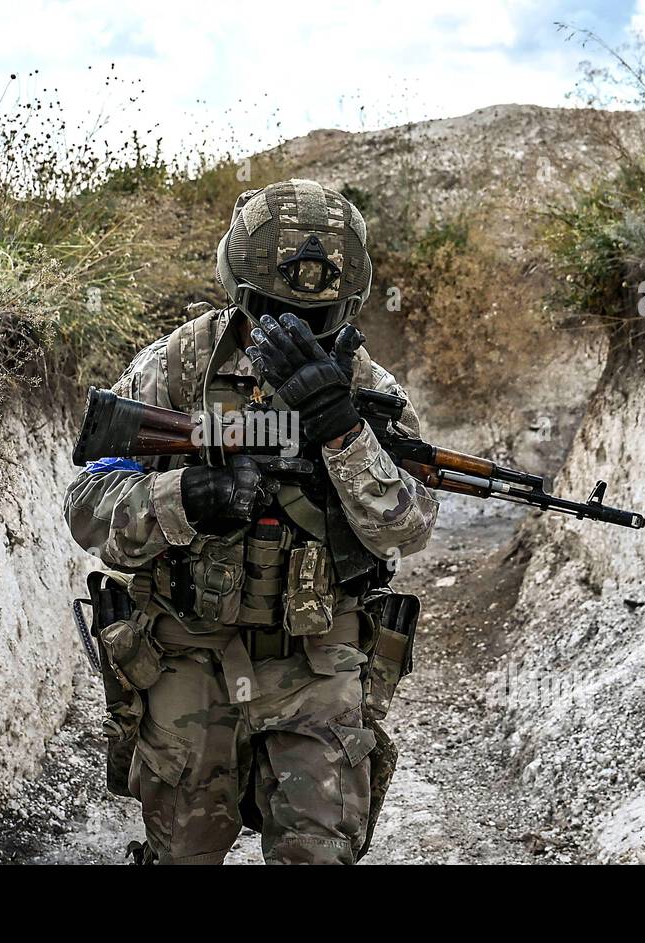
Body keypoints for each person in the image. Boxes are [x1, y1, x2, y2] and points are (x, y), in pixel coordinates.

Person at [64, 178, 437, 864]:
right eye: (272, 309)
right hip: (189, 653)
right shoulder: (178, 367)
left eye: (317, 316)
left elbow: (406, 529)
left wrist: (341, 430)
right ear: (238, 290)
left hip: (317, 660)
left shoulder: (367, 391)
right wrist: (183, 497)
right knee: (182, 851)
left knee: (319, 853)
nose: (294, 328)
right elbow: (87, 506)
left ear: (349, 303)